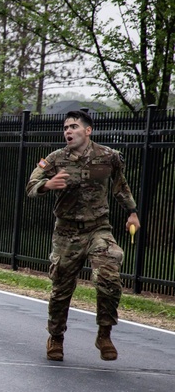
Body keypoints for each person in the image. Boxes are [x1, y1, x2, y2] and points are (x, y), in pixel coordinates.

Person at [26, 109, 140, 362]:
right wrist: (47, 184)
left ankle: (104, 333)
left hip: (98, 228)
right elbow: (31, 186)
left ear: (87, 131)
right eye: (66, 127)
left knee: (108, 276)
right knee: (61, 289)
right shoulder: (54, 159)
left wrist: (132, 213)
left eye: (74, 126)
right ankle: (56, 337)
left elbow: (120, 186)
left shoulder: (109, 157)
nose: (68, 131)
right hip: (66, 232)